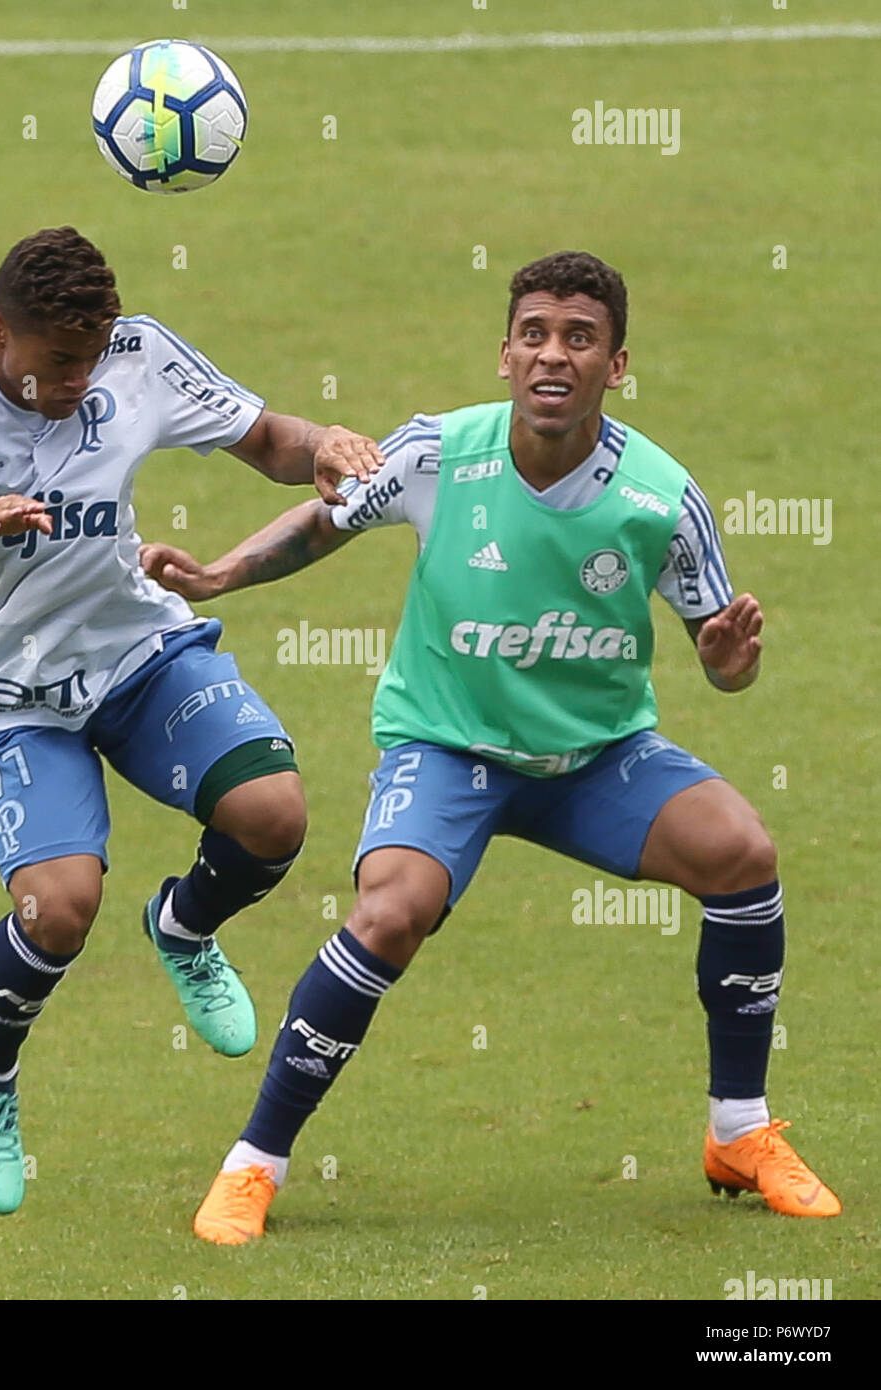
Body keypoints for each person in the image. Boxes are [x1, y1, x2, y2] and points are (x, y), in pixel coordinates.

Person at [139, 250, 841, 1243]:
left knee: (743, 854)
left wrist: (730, 665)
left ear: (617, 364)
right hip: (446, 750)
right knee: (391, 911)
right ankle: (254, 1163)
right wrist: (218, 574)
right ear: (505, 355)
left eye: (579, 338)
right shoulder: (437, 453)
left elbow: (724, 660)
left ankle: (738, 1129)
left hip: (594, 760)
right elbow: (326, 520)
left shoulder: (660, 499)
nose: (553, 355)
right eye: (534, 334)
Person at [0, 225, 383, 1216]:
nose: (79, 381)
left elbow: (268, 439)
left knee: (273, 813)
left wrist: (329, 446)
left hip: (135, 654)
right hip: (11, 697)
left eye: (89, 358)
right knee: (57, 909)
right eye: (59, 363)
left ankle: (184, 926)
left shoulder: (136, 355)